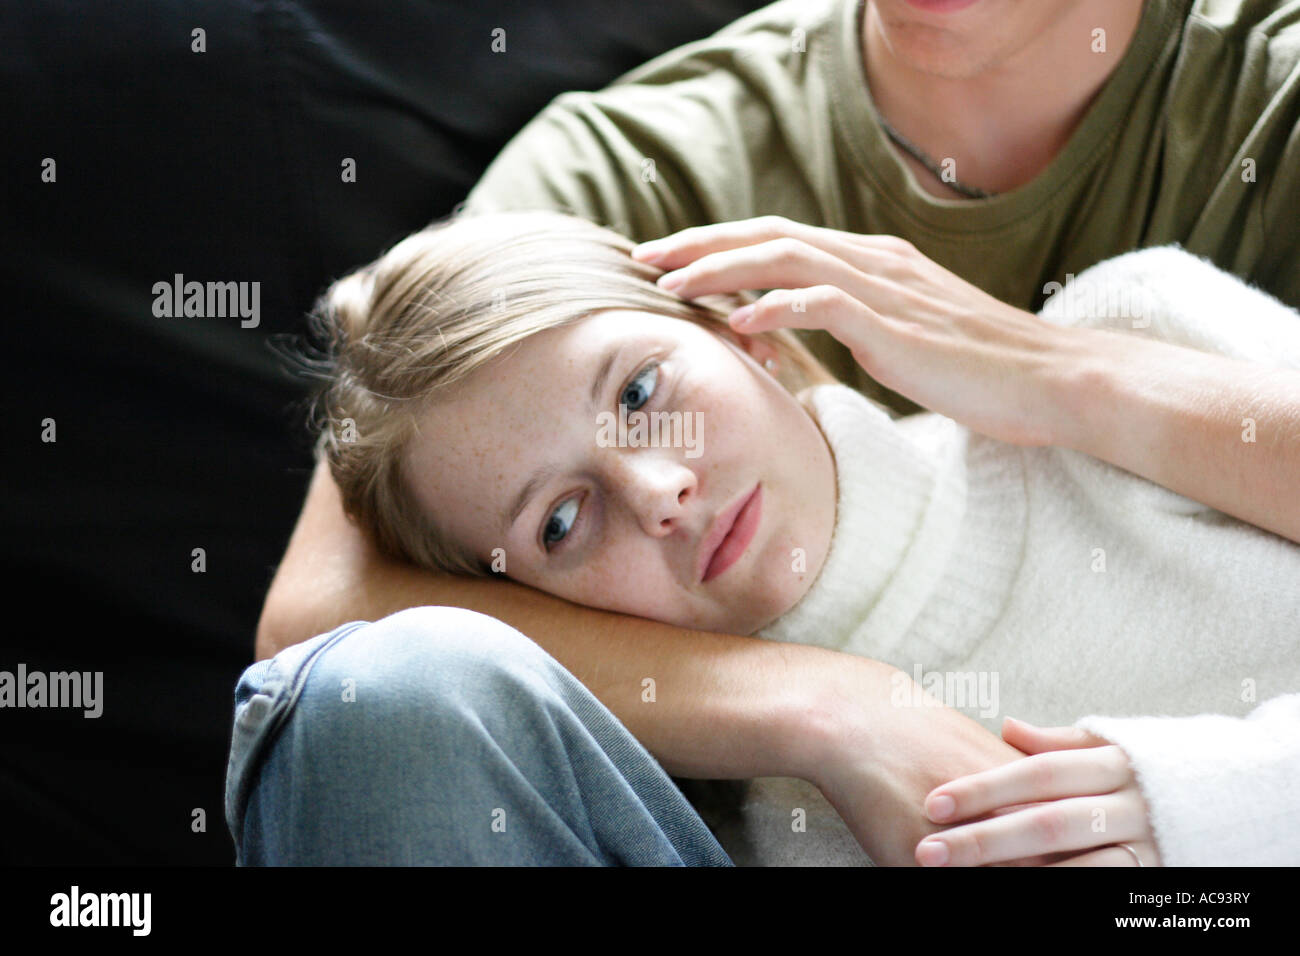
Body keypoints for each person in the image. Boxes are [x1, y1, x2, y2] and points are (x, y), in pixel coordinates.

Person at [241, 0, 1300, 865]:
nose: (655, 490)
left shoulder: (1145, 311)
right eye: (563, 520)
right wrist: (828, 711)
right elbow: (330, 632)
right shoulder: (798, 819)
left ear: (759, 331)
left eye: (645, 390)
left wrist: (1196, 810)